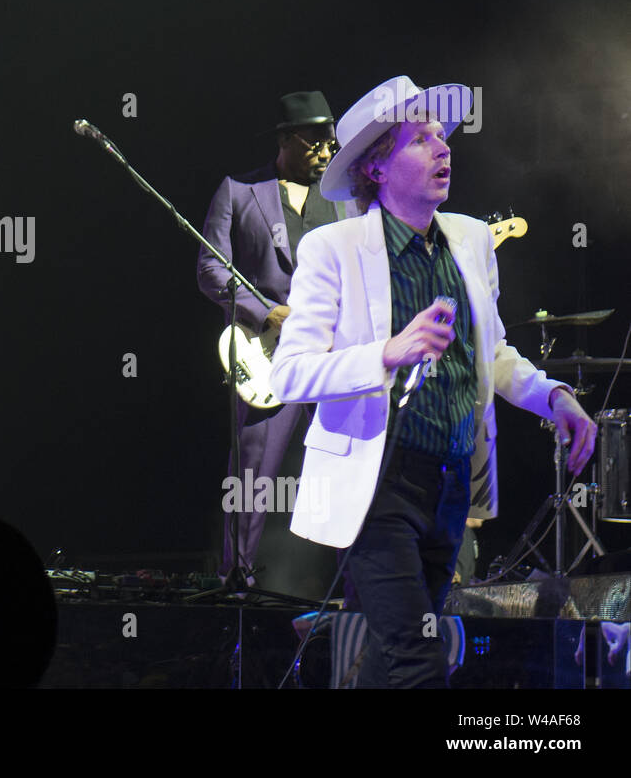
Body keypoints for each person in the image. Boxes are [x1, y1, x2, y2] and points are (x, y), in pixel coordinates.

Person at [269, 75, 596, 687]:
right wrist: (386, 353)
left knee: (391, 662)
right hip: (377, 490)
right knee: (419, 661)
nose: (444, 149)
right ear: (376, 166)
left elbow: (492, 353)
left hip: (448, 484)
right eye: (422, 140)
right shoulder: (332, 247)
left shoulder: (470, 238)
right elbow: (288, 373)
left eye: (442, 137)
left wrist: (554, 397)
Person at [197, 90, 344, 587]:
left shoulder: (345, 200)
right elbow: (210, 269)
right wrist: (267, 312)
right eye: (316, 139)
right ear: (286, 139)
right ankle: (234, 584)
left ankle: (358, 592)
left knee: (357, 463)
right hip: (270, 356)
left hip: (332, 356)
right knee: (252, 477)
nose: (327, 148)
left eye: (331, 137)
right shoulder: (240, 190)